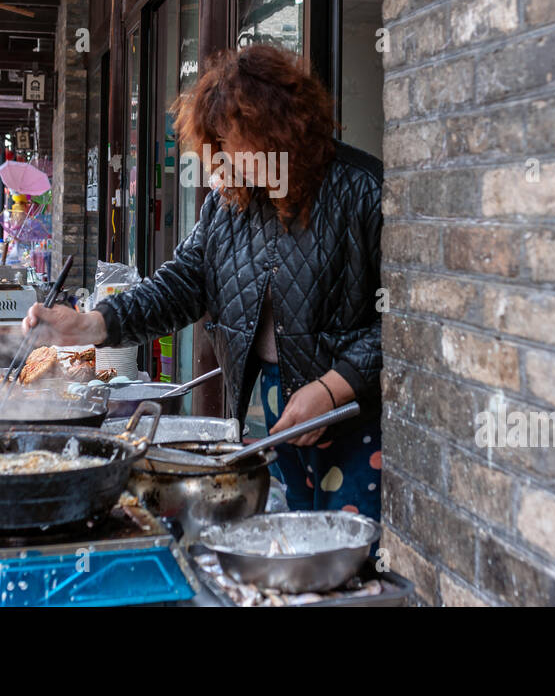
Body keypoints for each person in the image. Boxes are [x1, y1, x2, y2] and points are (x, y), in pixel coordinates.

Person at [24, 44, 383, 520]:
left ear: (282, 126)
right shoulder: (229, 202)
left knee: (352, 551)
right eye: (220, 146)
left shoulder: (363, 190)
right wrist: (91, 325)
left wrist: (335, 388)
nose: (227, 161)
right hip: (267, 403)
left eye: (239, 142)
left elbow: (407, 321)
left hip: (351, 409)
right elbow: (180, 285)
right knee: (288, 542)